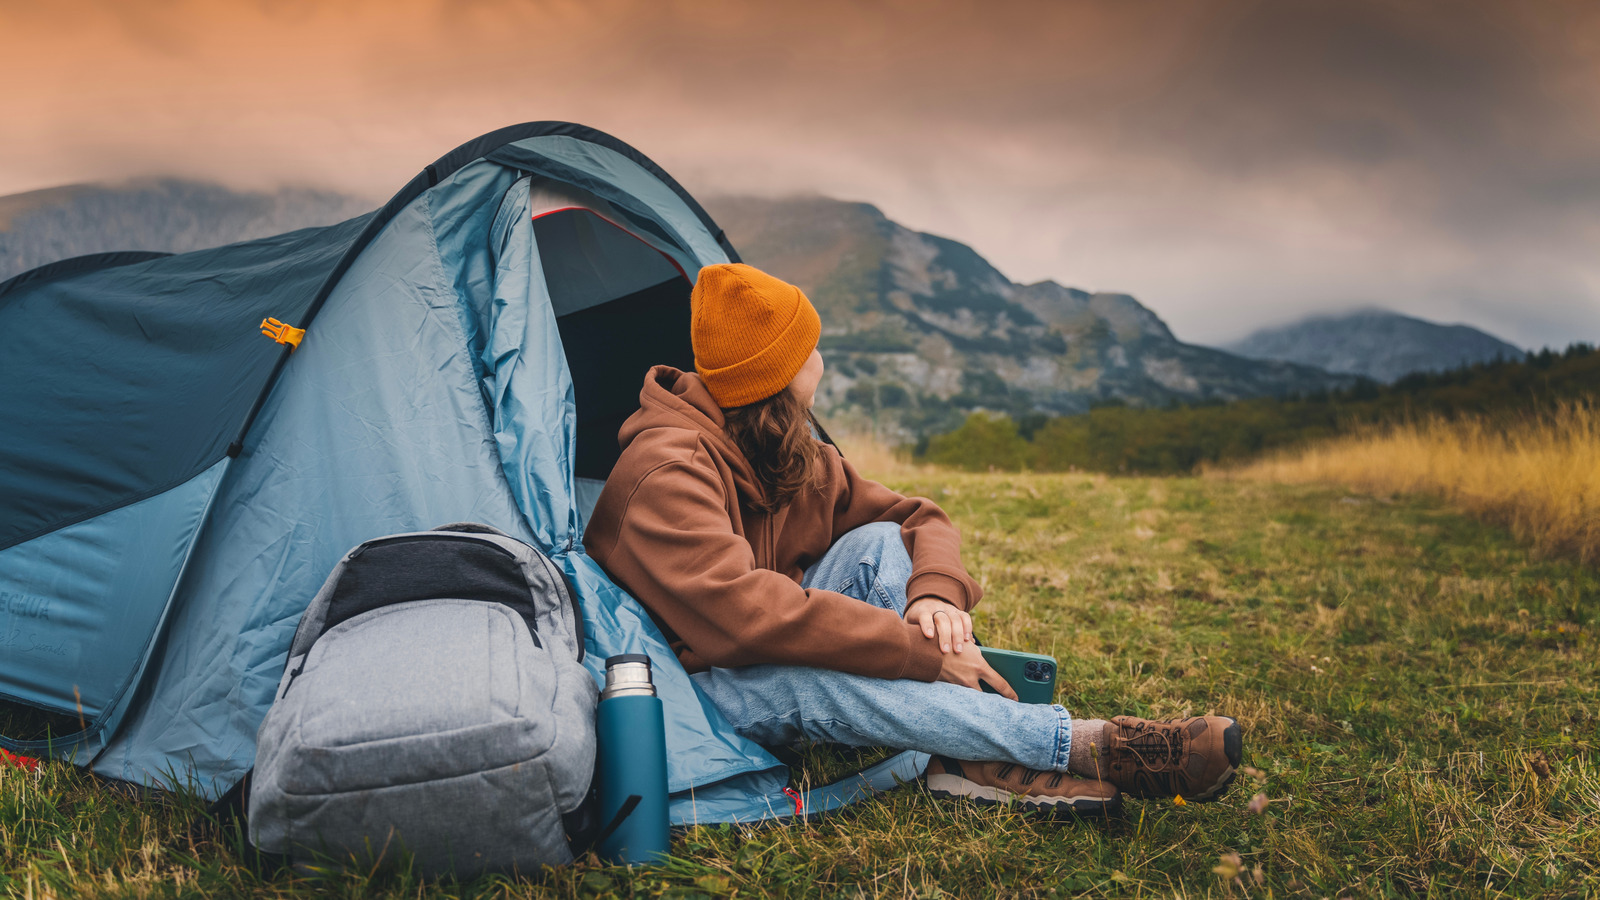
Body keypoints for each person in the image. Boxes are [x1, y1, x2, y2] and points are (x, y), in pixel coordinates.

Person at [584, 263, 1240, 816]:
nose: (820, 359)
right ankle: (1086, 745)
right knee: (813, 680)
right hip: (673, 690)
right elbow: (749, 620)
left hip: (745, 647)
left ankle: (966, 759)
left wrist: (934, 598)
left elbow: (917, 519)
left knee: (873, 541)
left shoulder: (781, 447)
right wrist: (919, 655)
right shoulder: (668, 472)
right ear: (780, 375)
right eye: (807, 349)